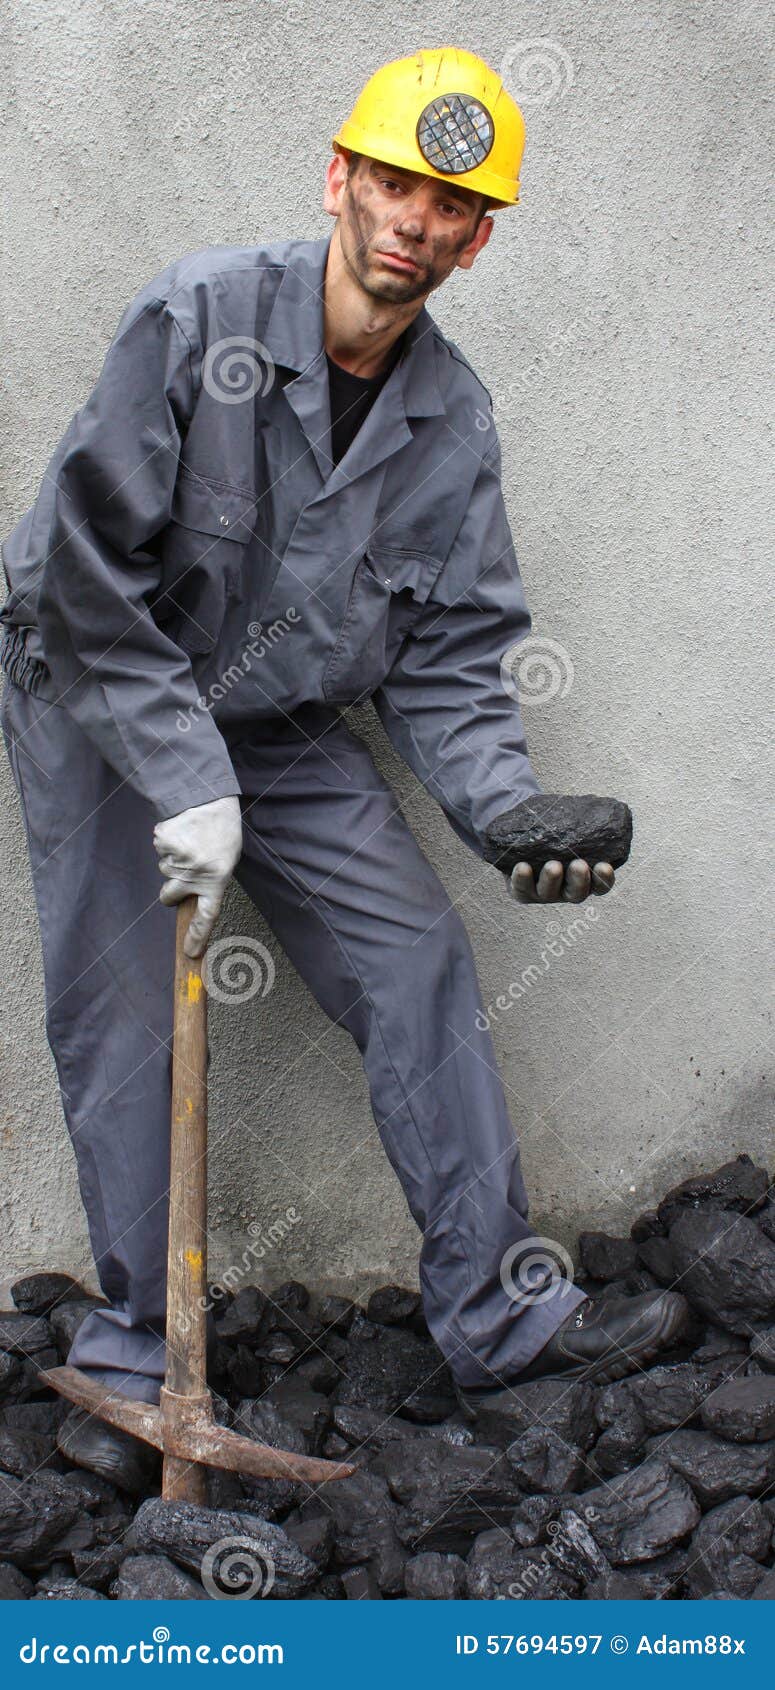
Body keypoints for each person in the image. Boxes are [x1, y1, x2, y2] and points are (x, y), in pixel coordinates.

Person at [0, 49, 687, 1487]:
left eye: (452, 208)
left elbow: (453, 653)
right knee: (129, 1008)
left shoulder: (452, 424)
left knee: (416, 957)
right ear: (338, 180)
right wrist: (181, 771)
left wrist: (506, 811)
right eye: (394, 185)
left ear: (477, 241)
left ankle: (499, 1315)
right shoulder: (196, 320)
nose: (414, 224)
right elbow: (81, 574)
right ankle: (135, 1358)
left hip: (285, 718)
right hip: (102, 685)